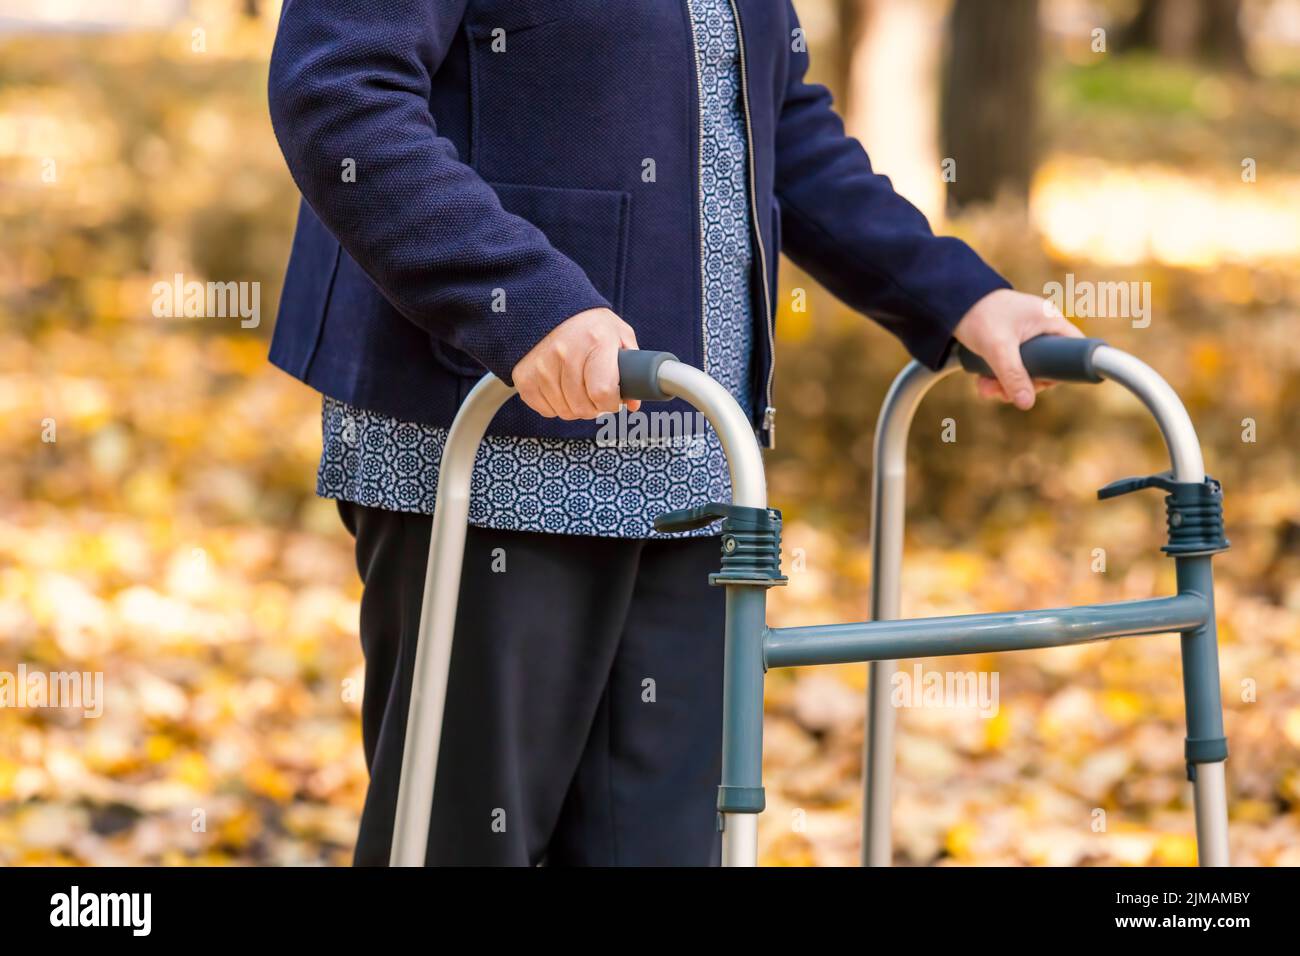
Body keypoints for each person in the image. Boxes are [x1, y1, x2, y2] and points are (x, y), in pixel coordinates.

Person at [266, 0, 1081, 865]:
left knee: (663, 847)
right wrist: (521, 298)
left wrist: (953, 295)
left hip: (694, 467)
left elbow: (772, 119)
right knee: (462, 844)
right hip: (488, 447)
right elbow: (339, 92)